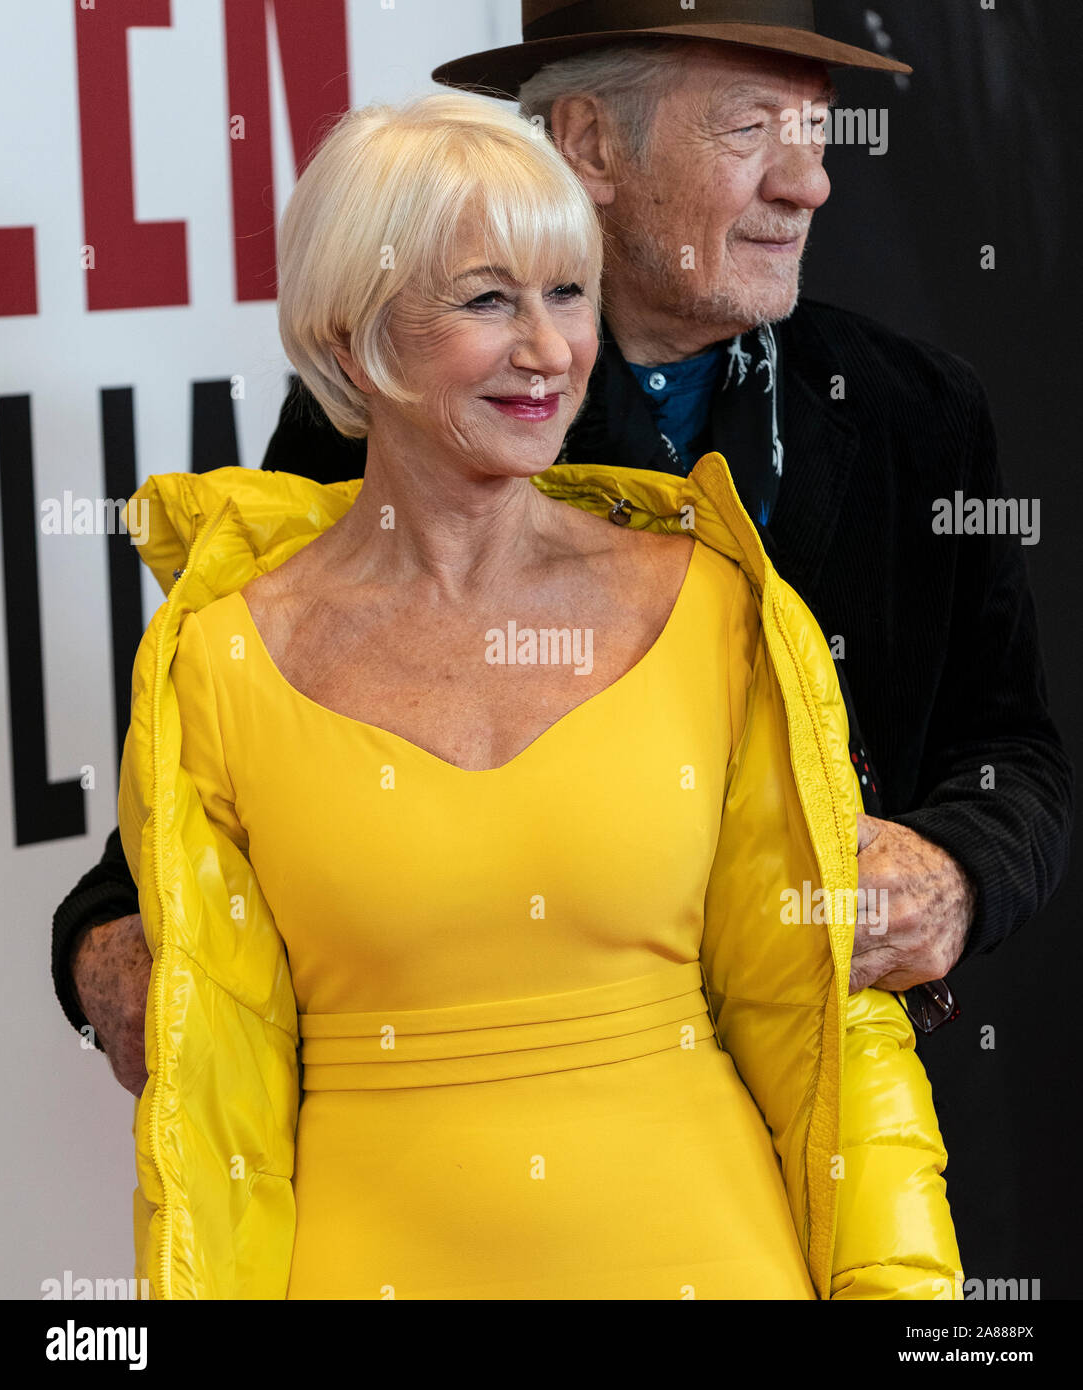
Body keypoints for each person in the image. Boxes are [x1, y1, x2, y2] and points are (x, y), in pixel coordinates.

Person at [55, 6, 1070, 1105]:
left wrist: (960, 873)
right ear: (589, 145)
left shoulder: (915, 410)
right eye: (748, 131)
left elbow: (1009, 749)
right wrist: (107, 949)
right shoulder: (384, 418)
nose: (809, 183)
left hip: (839, 1123)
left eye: (816, 130)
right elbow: (214, 783)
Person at [117, 92, 960, 1298]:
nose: (551, 350)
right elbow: (220, 1092)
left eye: (567, 293)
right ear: (354, 341)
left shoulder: (711, 604)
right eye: (485, 299)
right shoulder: (215, 660)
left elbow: (817, 1020)